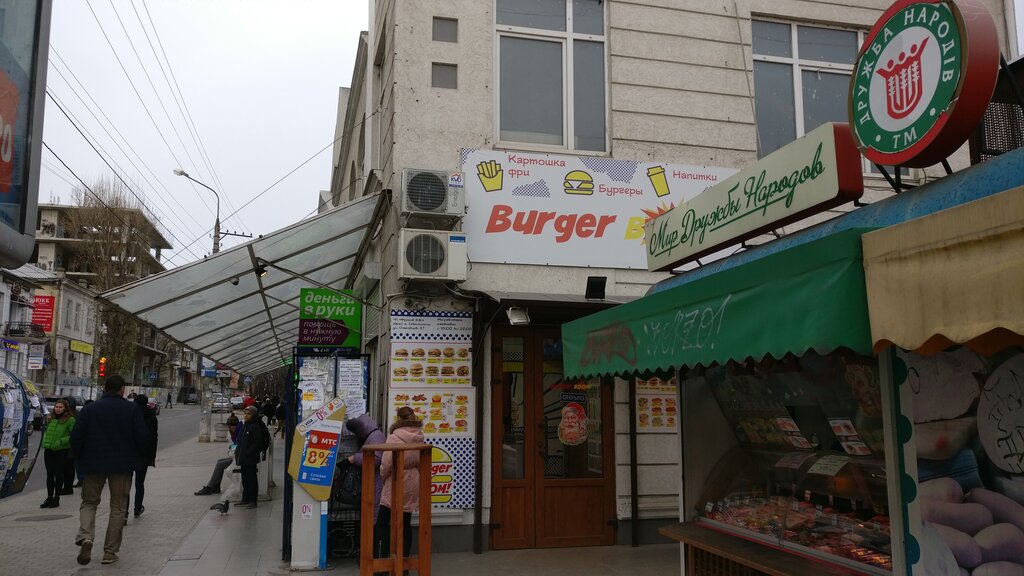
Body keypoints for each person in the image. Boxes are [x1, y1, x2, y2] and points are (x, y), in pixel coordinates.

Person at [71, 375, 149, 566]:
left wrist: (79, 460)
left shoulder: (89, 409)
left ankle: (86, 536)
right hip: (122, 467)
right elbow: (143, 437)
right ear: (122, 389)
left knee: (89, 502)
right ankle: (110, 552)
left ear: (105, 388)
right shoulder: (131, 410)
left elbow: (76, 437)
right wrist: (139, 459)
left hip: (93, 464)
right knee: (118, 507)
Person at [375, 406, 424, 562]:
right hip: (413, 480)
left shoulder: (394, 437)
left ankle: (382, 561)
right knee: (405, 522)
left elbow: (387, 463)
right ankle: (404, 564)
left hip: (396, 479)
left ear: (398, 419)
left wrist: (383, 476)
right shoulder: (419, 436)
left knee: (383, 521)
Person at [345, 413, 386, 521]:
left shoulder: (376, 437)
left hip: (376, 481)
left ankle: (375, 537)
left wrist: (355, 458)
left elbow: (376, 459)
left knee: (374, 514)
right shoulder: (373, 436)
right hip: (374, 481)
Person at [40, 398, 76, 508]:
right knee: (49, 475)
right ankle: (49, 497)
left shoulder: (70, 420)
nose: (58, 409)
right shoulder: (52, 418)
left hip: (61, 451)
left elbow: (73, 436)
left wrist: (61, 441)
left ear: (66, 408)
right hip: (49, 450)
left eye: (60, 407)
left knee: (58, 474)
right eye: (56, 407)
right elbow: (47, 431)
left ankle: (57, 498)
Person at [194, 413, 241, 496]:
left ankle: (210, 487)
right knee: (219, 461)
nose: (229, 429)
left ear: (234, 426)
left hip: (240, 458)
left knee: (220, 464)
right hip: (238, 456)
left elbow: (240, 445)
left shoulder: (240, 432)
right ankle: (216, 486)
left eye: (230, 427)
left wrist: (234, 447)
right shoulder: (237, 431)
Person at [235, 406, 268, 508]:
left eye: (248, 414)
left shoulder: (254, 426)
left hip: (250, 458)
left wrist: (248, 452)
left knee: (251, 479)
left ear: (253, 415)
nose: (246, 415)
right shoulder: (246, 425)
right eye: (245, 413)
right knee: (245, 479)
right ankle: (245, 498)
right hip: (244, 457)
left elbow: (257, 443)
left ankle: (253, 500)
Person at [131, 394, 159, 518]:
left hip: (130, 453)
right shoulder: (152, 416)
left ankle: (124, 513)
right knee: (139, 483)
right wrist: (151, 457)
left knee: (126, 484)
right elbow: (154, 438)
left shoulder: (130, 414)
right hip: (144, 454)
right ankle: (137, 509)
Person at [62, 396, 80, 494]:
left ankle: (68, 487)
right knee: (63, 468)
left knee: (69, 468)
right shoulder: (62, 414)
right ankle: (65, 487)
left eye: (67, 403)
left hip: (71, 445)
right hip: (62, 446)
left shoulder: (76, 415)